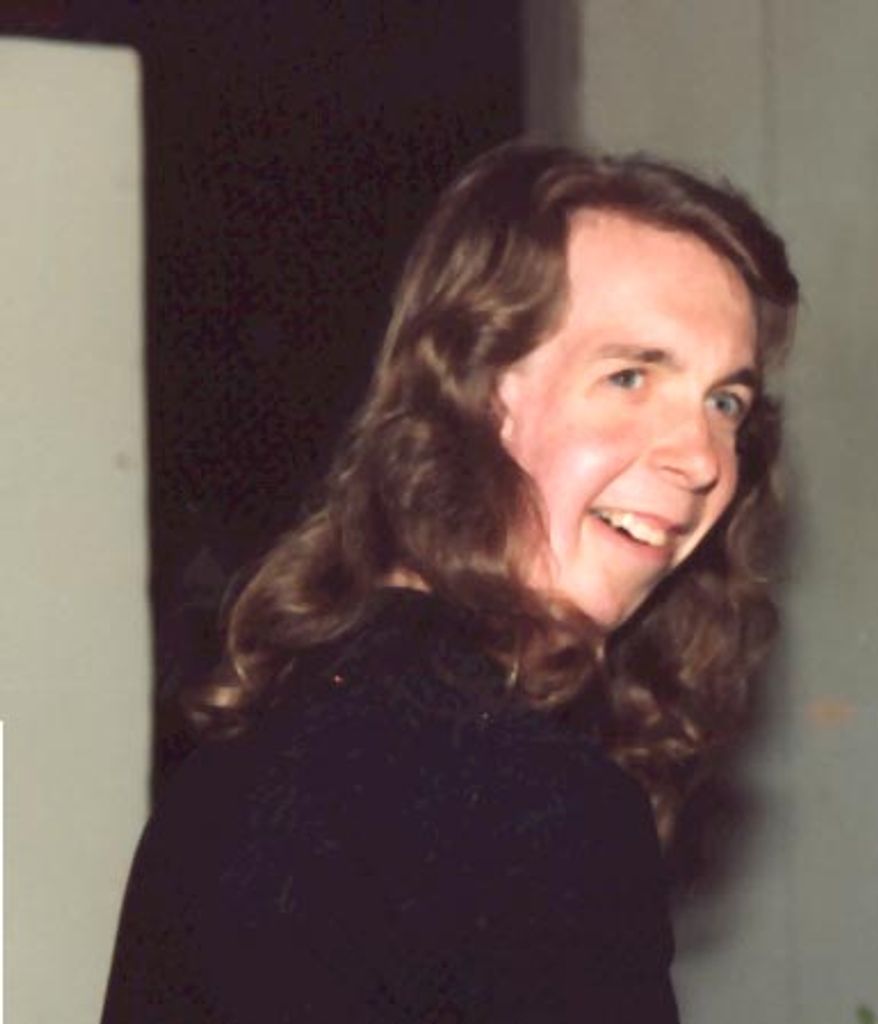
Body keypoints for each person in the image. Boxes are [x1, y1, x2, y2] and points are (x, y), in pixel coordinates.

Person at [101, 141, 798, 1023]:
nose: (703, 460)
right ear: (471, 391)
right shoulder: (541, 802)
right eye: (629, 376)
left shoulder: (225, 768)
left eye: (726, 402)